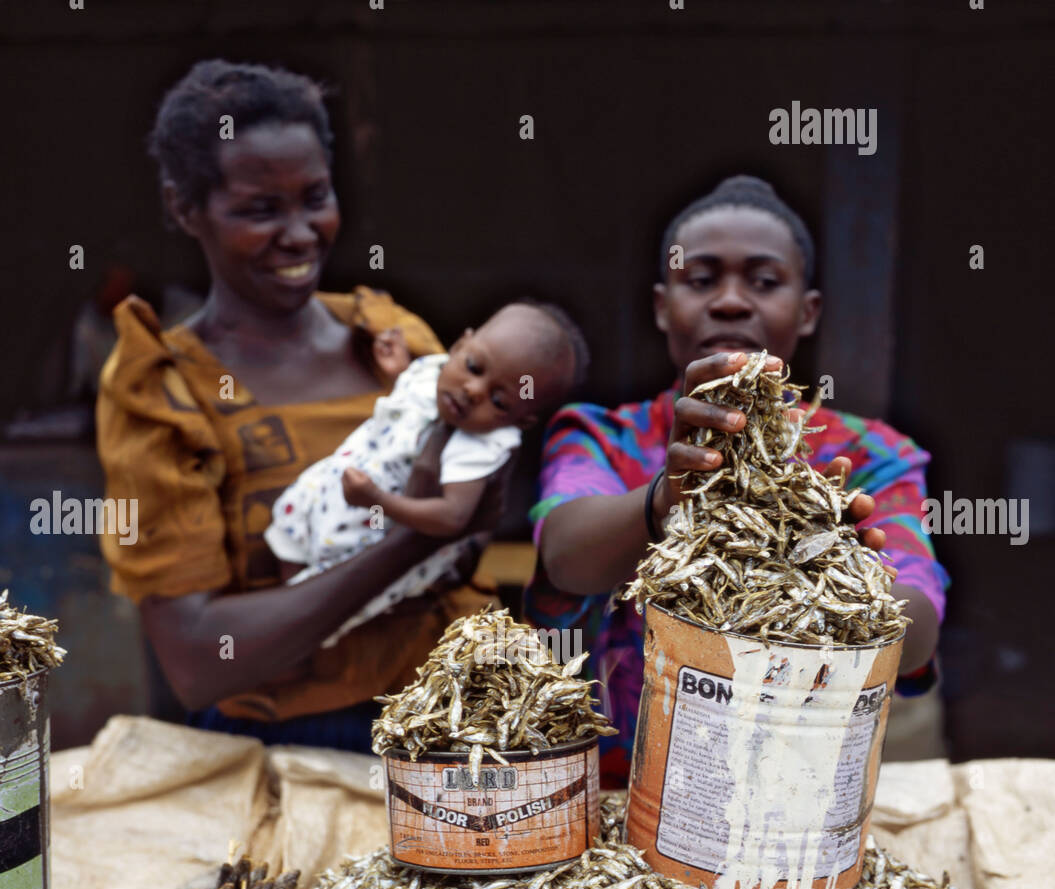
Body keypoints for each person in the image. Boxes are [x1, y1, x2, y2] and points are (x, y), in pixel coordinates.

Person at [97, 60, 508, 747]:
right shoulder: (161, 391)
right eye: (259, 210)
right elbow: (198, 660)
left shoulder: (391, 339)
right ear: (183, 208)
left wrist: (450, 523)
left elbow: (467, 534)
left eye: (314, 197)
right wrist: (413, 534)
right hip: (292, 748)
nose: (299, 233)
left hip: (456, 719)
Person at [526, 175, 949, 786]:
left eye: (764, 281)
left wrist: (835, 572)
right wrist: (667, 497)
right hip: (619, 789)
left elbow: (917, 630)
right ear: (661, 305)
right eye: (700, 280)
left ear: (808, 313)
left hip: (792, 790)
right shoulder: (601, 435)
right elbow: (565, 558)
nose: (729, 302)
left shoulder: (872, 454)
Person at [266, 300, 587, 641]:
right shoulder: (433, 374)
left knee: (316, 605)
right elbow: (412, 405)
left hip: (371, 535)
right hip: (332, 490)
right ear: (462, 344)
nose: (473, 391)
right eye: (475, 367)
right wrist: (399, 372)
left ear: (521, 420)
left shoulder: (478, 448)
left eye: (499, 401)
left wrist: (377, 499)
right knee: (289, 540)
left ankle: (292, 639)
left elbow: (451, 517)